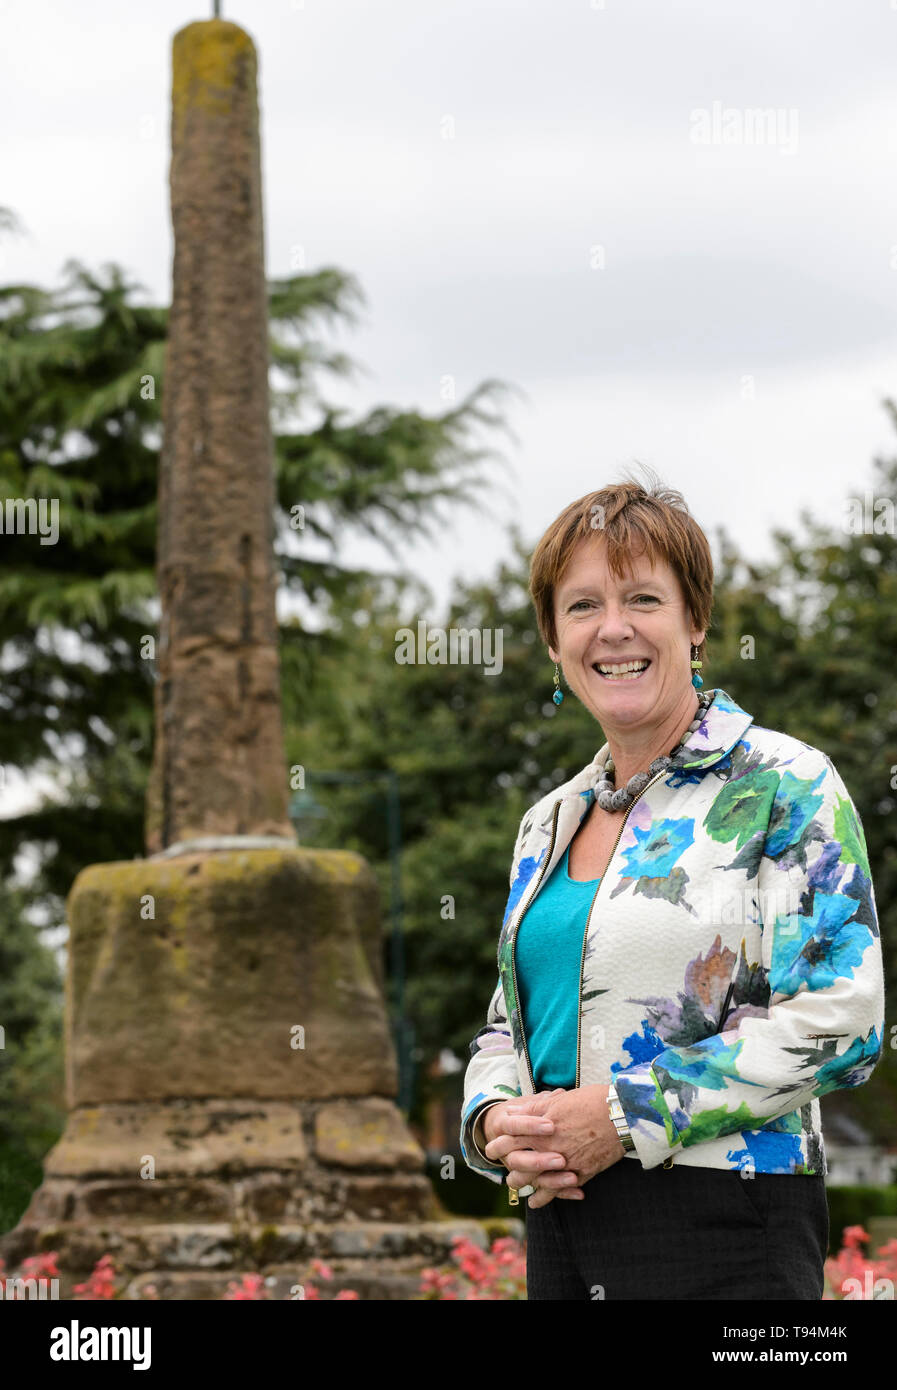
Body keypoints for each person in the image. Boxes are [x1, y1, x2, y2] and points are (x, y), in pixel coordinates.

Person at [459, 476, 885, 1300]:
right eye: (581, 606)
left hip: (727, 1223)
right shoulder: (545, 822)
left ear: (695, 621)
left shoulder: (784, 783)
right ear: (552, 639)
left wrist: (620, 1119)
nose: (611, 628)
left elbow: (845, 1019)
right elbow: (506, 1023)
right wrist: (490, 1120)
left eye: (642, 598)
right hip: (560, 1223)